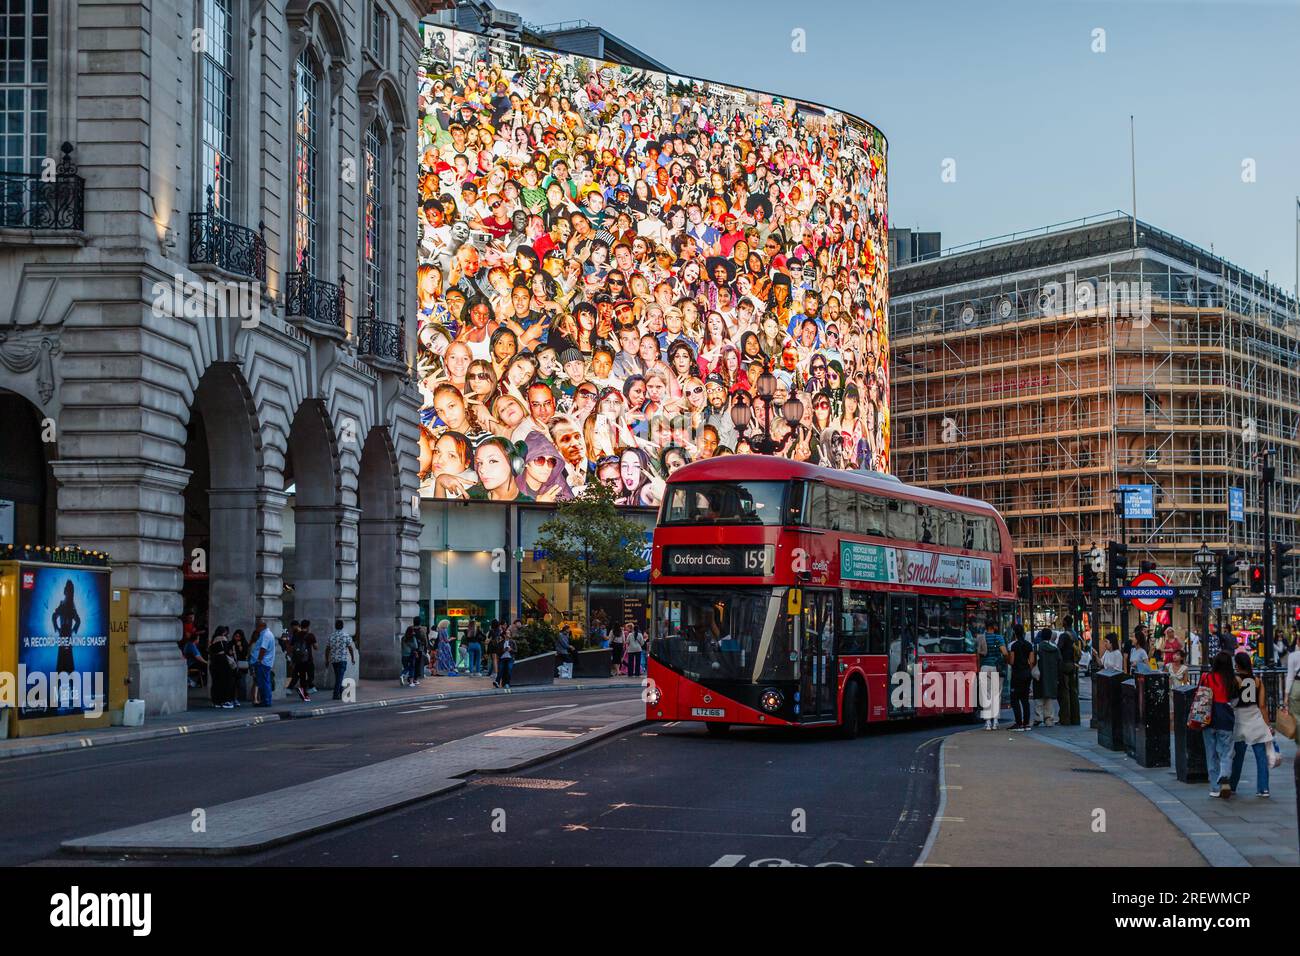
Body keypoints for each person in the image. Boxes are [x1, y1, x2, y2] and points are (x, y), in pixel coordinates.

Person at [1228, 652, 1273, 797]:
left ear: (1237, 664)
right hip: (1255, 720)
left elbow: (1230, 700)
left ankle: (1233, 786)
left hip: (1239, 719)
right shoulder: (1258, 681)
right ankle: (1263, 788)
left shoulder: (1235, 679)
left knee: (1238, 756)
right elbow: (1262, 705)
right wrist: (1268, 725)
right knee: (1260, 756)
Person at [1199, 651, 1239, 799]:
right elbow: (1234, 702)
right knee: (1226, 751)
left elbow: (1200, 694)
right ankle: (1225, 776)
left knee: (1211, 753)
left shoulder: (1207, 677)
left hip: (1208, 717)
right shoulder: (1232, 680)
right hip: (1226, 718)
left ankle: (1215, 787)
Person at [978, 620, 1008, 730]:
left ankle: (987, 723)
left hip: (984, 667)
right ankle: (995, 722)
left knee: (986, 695)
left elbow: (978, 653)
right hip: (996, 667)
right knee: (996, 695)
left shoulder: (981, 637)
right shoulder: (998, 637)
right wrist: (1004, 660)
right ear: (994, 627)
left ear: (986, 627)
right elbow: (1004, 652)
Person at [1006, 623, 1035, 731]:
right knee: (1025, 699)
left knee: (1014, 699)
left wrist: (1008, 659)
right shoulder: (1029, 645)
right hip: (1027, 674)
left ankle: (1018, 723)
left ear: (1015, 633)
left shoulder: (1014, 645)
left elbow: (1012, 661)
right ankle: (1026, 723)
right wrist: (1028, 669)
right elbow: (1031, 661)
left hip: (1017, 674)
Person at [1032, 627, 1061, 727]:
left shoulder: (1038, 647)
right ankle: (1049, 719)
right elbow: (1059, 661)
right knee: (1049, 698)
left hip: (1040, 674)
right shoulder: (1055, 648)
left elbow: (1033, 661)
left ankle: (1038, 717)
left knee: (1039, 697)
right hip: (1052, 676)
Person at [1056, 615, 1081, 726]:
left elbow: (1058, 650)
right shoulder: (1075, 634)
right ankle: (1075, 718)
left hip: (1065, 664)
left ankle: (1065, 719)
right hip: (1073, 664)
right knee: (1074, 691)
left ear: (1065, 622)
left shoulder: (1063, 635)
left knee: (1064, 692)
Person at [326, 619, 356, 700]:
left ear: (335, 626)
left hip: (334, 660)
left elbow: (327, 649)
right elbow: (350, 648)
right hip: (342, 659)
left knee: (338, 676)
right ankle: (336, 694)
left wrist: (326, 660)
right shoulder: (345, 635)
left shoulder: (331, 636)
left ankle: (341, 691)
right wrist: (353, 658)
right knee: (339, 677)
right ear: (342, 626)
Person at [208, 626, 237, 709]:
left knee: (216, 682)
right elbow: (227, 650)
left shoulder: (213, 640)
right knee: (226, 681)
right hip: (223, 662)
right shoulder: (222, 639)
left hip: (214, 662)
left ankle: (217, 701)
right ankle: (226, 701)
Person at [250, 619, 276, 708]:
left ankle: (266, 701)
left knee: (263, 683)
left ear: (262, 626)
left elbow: (263, 649)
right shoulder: (267, 634)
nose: (256, 628)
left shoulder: (266, 635)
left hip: (263, 663)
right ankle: (265, 700)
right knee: (264, 682)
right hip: (265, 662)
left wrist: (259, 660)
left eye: (257, 626)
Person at [289, 624, 313, 702]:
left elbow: (291, 648)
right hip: (307, 659)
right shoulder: (309, 635)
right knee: (310, 676)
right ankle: (305, 692)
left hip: (298, 660)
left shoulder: (295, 636)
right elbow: (316, 647)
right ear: (308, 627)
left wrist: (292, 660)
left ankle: (304, 695)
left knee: (302, 677)